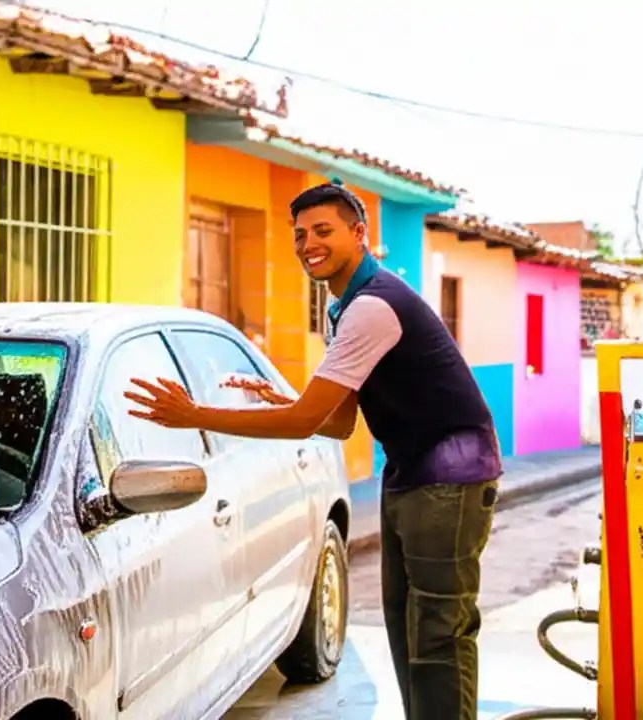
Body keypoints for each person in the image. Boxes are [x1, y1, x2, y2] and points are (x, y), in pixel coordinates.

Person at [125, 179, 502, 719]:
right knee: (404, 623)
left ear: (359, 233)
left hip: (450, 478)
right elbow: (340, 422)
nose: (308, 245)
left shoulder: (374, 306)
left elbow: (306, 422)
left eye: (322, 231)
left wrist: (193, 415)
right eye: (300, 236)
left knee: (439, 630)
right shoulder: (344, 309)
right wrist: (282, 398)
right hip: (410, 474)